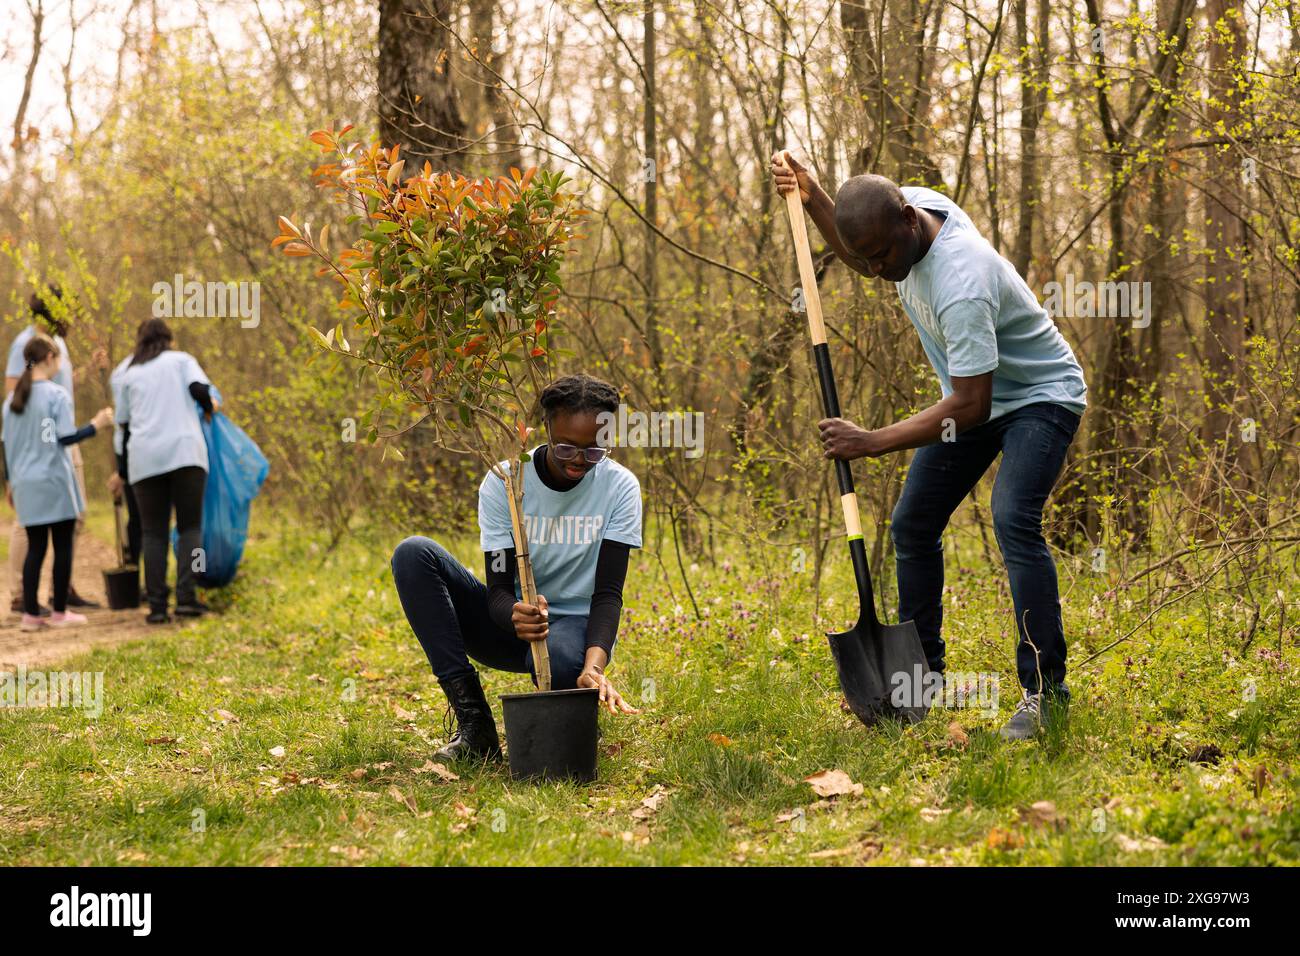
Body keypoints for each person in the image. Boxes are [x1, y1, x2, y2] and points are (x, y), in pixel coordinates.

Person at [772, 152, 1088, 740]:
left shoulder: (961, 280)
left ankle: (1046, 692)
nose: (874, 269)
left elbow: (969, 406)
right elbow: (863, 250)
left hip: (1038, 397)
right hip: (977, 399)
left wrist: (871, 442)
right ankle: (926, 678)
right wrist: (813, 194)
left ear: (909, 222)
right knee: (913, 523)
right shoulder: (903, 215)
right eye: (865, 256)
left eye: (882, 255)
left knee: (1013, 518)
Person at [391, 373, 643, 763]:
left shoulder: (620, 488)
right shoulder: (505, 483)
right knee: (413, 554)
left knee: (562, 664)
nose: (580, 460)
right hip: (510, 627)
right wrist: (513, 613)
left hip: (573, 632)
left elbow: (608, 595)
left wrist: (594, 666)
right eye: (566, 448)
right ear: (545, 430)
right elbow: (497, 591)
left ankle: (573, 691)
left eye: (595, 451)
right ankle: (475, 726)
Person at [4, 286, 107, 613]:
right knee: (29, 522)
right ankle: (21, 591)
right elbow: (16, 393)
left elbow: (60, 383)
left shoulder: (57, 344)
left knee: (74, 518)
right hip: (43, 446)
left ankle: (61, 588)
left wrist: (90, 370)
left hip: (63, 435)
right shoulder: (24, 342)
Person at [114, 318, 218, 623]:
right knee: (190, 528)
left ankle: (157, 605)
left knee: (153, 533)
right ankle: (187, 597)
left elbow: (124, 424)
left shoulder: (129, 374)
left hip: (144, 460)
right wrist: (209, 409)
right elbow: (200, 389)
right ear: (168, 339)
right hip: (186, 453)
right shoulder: (181, 360)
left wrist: (122, 469)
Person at [107, 353, 143, 564]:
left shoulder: (120, 372)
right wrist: (122, 471)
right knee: (142, 519)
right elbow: (124, 423)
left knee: (139, 518)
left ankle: (136, 571)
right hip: (133, 452)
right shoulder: (124, 372)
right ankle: (134, 572)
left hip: (129, 451)